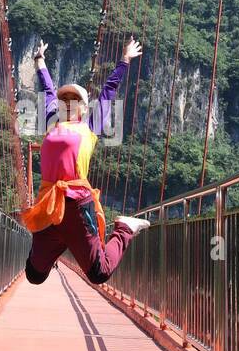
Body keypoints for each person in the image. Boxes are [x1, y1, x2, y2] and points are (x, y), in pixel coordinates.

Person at [20, 37, 150, 285]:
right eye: (63, 100)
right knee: (34, 275)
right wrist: (40, 62)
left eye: (74, 101)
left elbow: (108, 92)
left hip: (78, 206)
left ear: (82, 108)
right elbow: (47, 90)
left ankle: (124, 229)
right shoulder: (51, 123)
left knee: (99, 273)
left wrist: (124, 60)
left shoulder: (89, 127)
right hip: (49, 205)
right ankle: (62, 244)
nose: (67, 103)